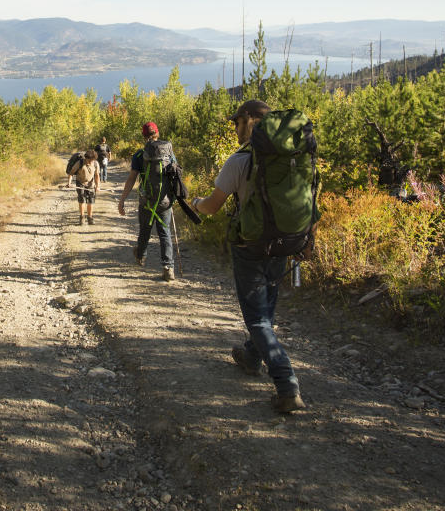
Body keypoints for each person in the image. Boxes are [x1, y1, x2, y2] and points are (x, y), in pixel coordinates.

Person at [186, 99, 305, 413]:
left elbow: (213, 207)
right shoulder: (292, 155)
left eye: (237, 122)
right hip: (284, 242)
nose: (235, 128)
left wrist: (196, 202)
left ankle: (286, 383)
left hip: (250, 246)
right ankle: (253, 356)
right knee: (265, 308)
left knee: (256, 317)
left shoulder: (239, 160)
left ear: (251, 120)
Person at [117, 122, 176, 281]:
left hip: (146, 200)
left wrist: (122, 200)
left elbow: (131, 179)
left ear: (143, 136)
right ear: (157, 133)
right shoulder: (169, 153)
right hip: (165, 201)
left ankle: (141, 255)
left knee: (145, 230)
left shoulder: (139, 155)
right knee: (165, 233)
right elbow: (175, 174)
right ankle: (168, 267)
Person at [66, 148, 100, 225]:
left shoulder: (95, 164)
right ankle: (82, 217)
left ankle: (90, 218)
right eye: (90, 160)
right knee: (82, 200)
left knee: (91, 201)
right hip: (80, 183)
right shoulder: (80, 163)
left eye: (93, 160)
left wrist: (97, 186)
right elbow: (71, 173)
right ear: (86, 158)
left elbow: (97, 175)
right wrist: (69, 183)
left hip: (91, 184)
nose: (91, 162)